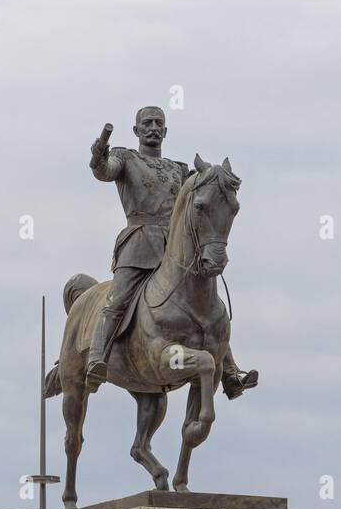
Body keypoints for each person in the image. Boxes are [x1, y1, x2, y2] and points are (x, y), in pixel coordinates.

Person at [86, 107, 258, 397]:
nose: (153, 128)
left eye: (158, 124)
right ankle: (96, 359)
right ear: (136, 130)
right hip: (138, 245)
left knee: (210, 306)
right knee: (118, 300)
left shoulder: (178, 169)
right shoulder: (126, 158)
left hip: (175, 249)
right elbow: (105, 171)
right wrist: (98, 156)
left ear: (165, 131)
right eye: (147, 123)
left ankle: (229, 372)